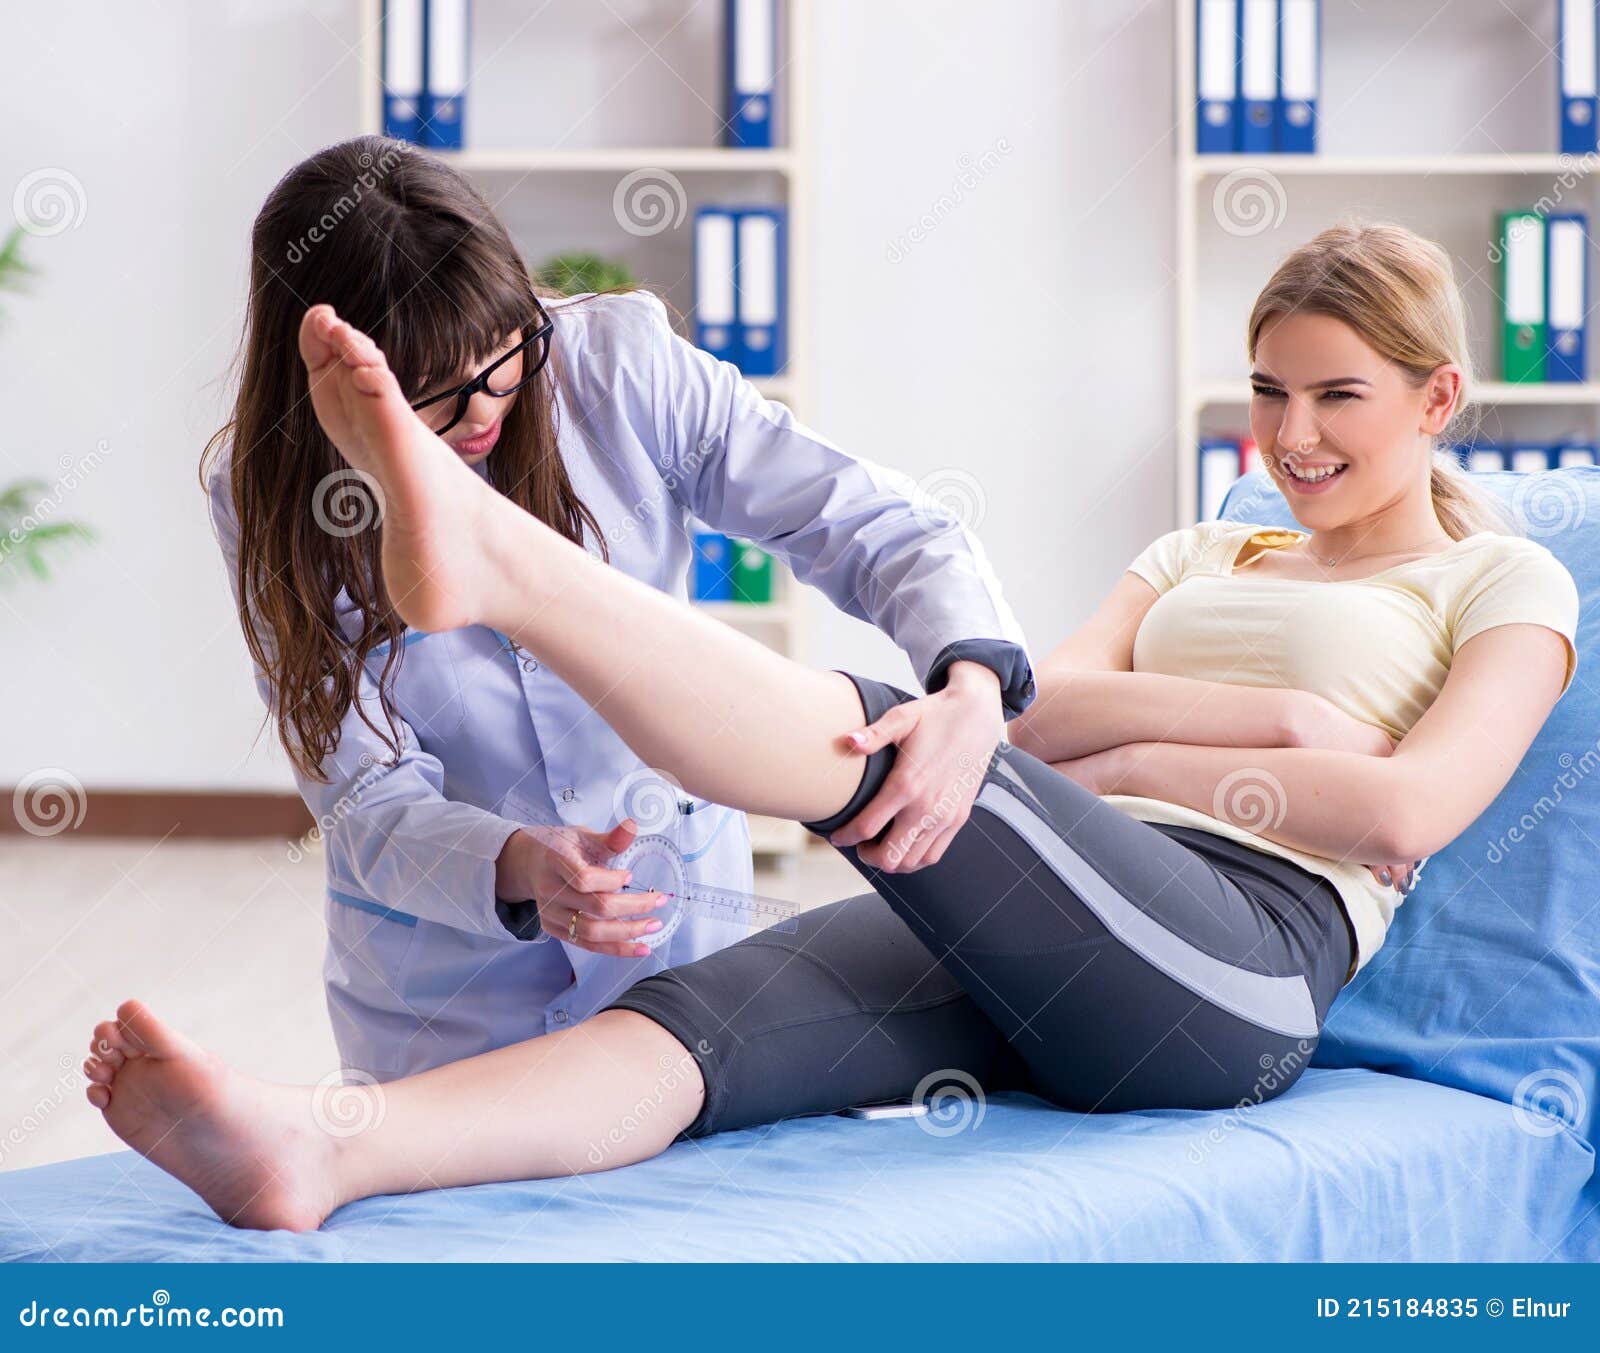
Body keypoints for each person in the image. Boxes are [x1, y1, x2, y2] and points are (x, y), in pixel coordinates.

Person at [90, 222, 1577, 1233]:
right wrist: (1278, 720)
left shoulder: (1505, 579)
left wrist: (1132, 763)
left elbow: (1401, 816)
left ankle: (510, 573)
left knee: (885, 732)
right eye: (1270, 391)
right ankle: (312, 1148)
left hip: (1241, 967)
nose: (1295, 435)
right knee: (703, 1019)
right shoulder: (1200, 552)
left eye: (1340, 397)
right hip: (1063, 909)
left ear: (1440, 396)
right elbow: (1032, 722)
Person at [202, 136, 1033, 1080]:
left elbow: (868, 520)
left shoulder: (614, 360)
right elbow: (363, 791)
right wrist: (512, 863)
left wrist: (972, 682)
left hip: (676, 928)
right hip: (454, 986)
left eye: (504, 356)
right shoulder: (268, 491)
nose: (484, 409)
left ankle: (484, 548)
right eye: (434, 394)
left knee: (686, 1151)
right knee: (457, 1182)